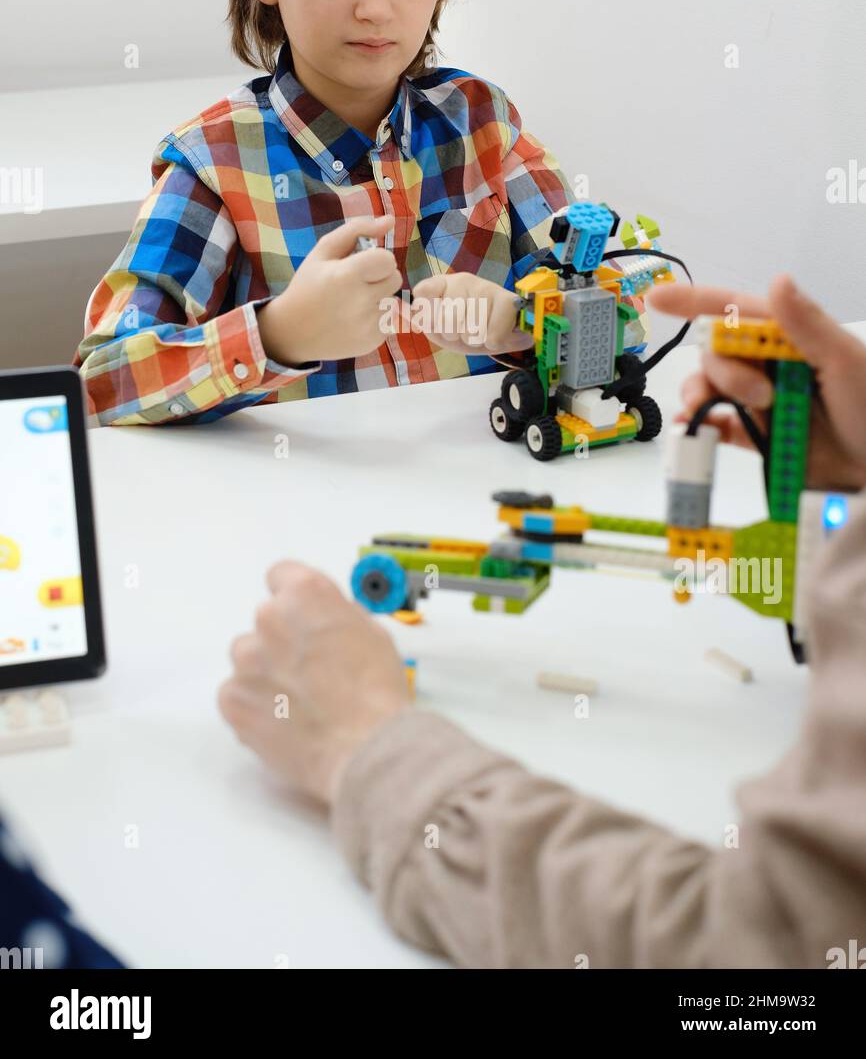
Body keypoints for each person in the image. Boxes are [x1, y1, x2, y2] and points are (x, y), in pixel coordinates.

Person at [217, 275, 866, 968]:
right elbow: (108, 370)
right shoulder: (208, 175)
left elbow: (769, 949)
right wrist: (276, 332)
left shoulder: (510, 169)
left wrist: (369, 752)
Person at [72, 0, 577, 426]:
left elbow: (622, 310)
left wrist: (521, 321)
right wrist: (280, 335)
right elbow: (101, 386)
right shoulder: (216, 164)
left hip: (483, 503)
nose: (376, 7)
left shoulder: (486, 127)